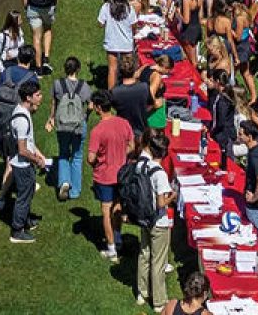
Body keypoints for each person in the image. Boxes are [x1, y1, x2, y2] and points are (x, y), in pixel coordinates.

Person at [87, 88, 135, 259]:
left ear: (99, 107)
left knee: (106, 211)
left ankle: (111, 247)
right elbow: (131, 146)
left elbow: (91, 158)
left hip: (105, 176)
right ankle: (118, 238)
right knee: (117, 207)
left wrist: (99, 160)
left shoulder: (97, 131)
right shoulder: (124, 123)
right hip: (122, 174)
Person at [133, 132, 176, 314]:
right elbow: (160, 203)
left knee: (144, 254)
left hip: (144, 218)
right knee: (158, 262)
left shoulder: (141, 166)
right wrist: (173, 195)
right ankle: (159, 301)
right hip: (159, 221)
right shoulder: (160, 174)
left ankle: (142, 292)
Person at [2, 80, 47, 243]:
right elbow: (22, 149)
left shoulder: (23, 111)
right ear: (28, 98)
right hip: (22, 165)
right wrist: (37, 160)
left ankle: (25, 220)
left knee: (27, 194)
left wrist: (38, 154)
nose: (41, 97)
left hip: (23, 163)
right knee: (24, 196)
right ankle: (17, 230)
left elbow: (28, 141)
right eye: (38, 95)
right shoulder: (22, 119)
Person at [47, 56, 91, 201]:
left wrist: (51, 118)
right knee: (77, 156)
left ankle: (64, 181)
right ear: (78, 69)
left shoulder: (57, 84)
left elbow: (54, 103)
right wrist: (86, 115)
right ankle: (75, 191)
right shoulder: (84, 86)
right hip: (79, 125)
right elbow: (90, 105)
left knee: (64, 153)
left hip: (63, 125)